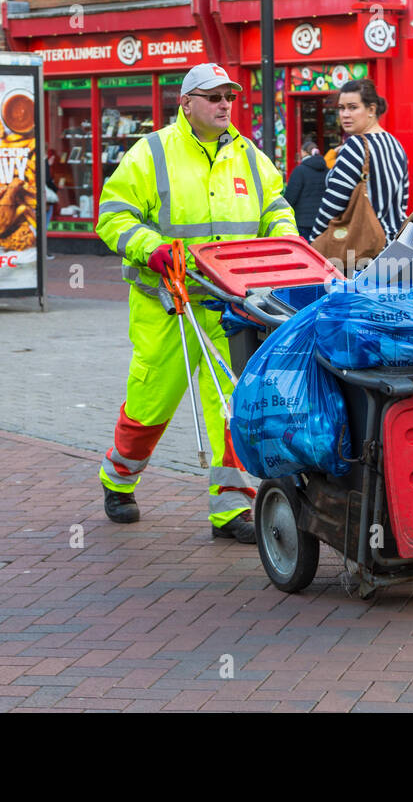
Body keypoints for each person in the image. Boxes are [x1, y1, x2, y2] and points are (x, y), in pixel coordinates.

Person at [95, 63, 297, 542]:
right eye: (212, 96)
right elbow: (112, 216)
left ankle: (231, 509)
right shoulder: (151, 153)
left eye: (229, 95)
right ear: (186, 103)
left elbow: (276, 210)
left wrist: (285, 245)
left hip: (230, 306)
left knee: (230, 406)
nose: (224, 103)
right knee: (151, 402)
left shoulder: (250, 156)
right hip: (168, 303)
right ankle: (119, 480)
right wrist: (152, 248)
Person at [309, 79, 409, 243]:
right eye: (341, 108)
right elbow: (402, 202)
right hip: (394, 245)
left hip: (362, 251)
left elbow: (332, 204)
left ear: (371, 109)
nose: (345, 114)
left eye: (353, 107)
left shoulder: (356, 145)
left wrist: (314, 242)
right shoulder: (394, 144)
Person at [284, 140, 328, 237]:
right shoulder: (327, 171)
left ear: (303, 152)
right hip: (322, 220)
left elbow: (290, 197)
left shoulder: (299, 171)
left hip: (302, 222)